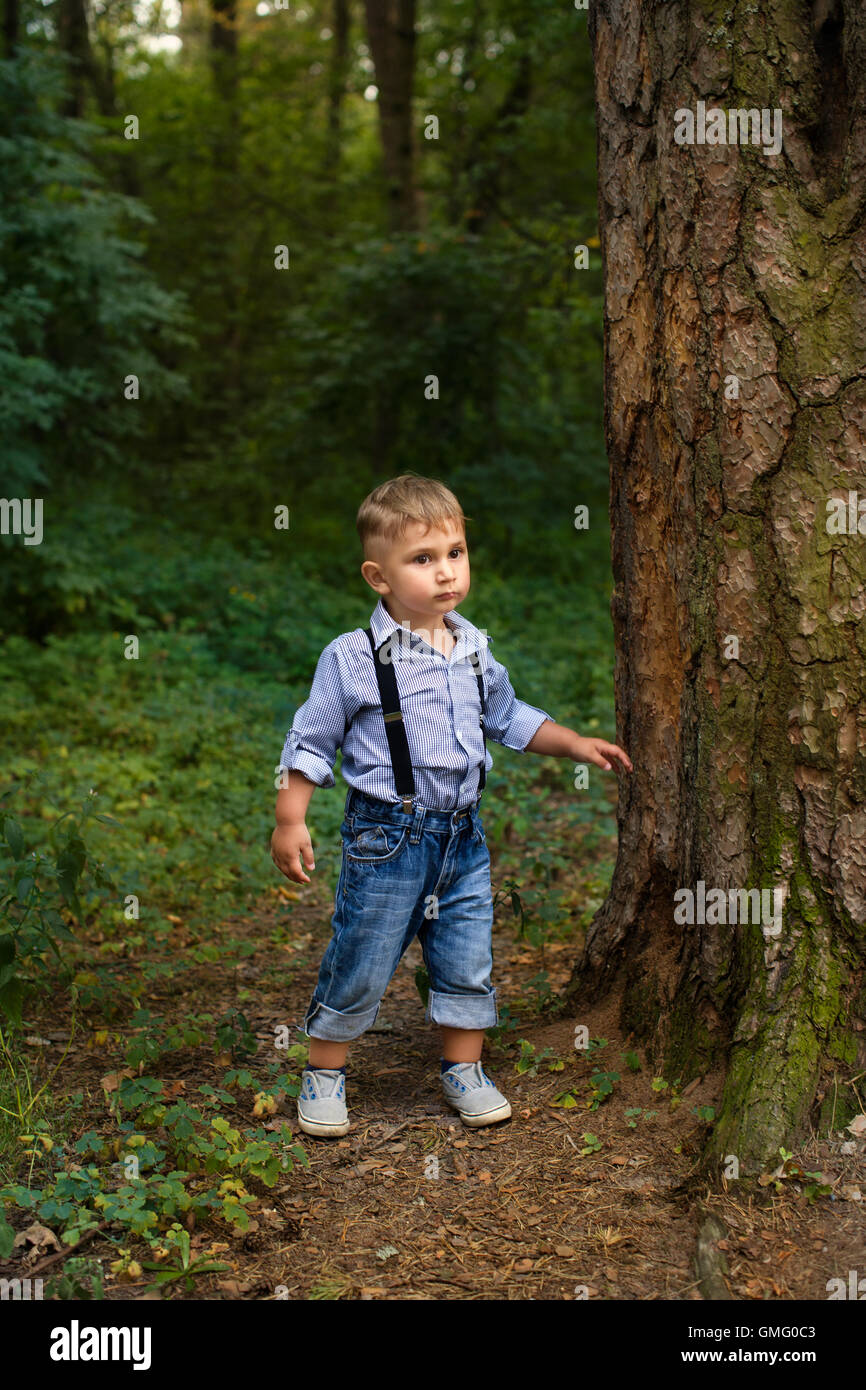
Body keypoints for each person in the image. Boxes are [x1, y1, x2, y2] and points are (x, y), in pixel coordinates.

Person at [270, 475, 632, 1138]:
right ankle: (325, 1071)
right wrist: (290, 816)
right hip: (388, 836)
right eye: (422, 559)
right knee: (364, 952)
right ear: (378, 576)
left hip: (462, 837)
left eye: (455, 553)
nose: (445, 573)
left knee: (466, 953)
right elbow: (312, 738)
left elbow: (507, 716)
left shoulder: (473, 649)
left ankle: (463, 1068)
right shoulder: (355, 657)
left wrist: (573, 742)